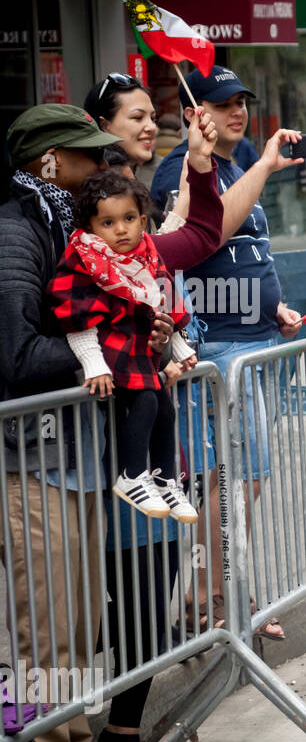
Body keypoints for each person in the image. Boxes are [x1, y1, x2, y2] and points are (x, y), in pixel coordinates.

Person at [0, 103, 222, 742]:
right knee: (47, 628)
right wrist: (110, 346)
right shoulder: (16, 230)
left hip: (73, 455)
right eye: (89, 155)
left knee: (75, 623)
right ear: (47, 164)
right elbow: (16, 355)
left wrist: (140, 331)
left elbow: (191, 239)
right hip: (32, 460)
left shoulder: (69, 224)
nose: (105, 167)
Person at [149, 65, 306, 640]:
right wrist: (266, 165)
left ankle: (220, 593)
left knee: (247, 478)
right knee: (226, 480)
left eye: (242, 101)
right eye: (222, 103)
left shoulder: (232, 166)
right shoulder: (180, 170)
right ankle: (210, 600)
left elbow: (247, 252)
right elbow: (205, 237)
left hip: (252, 341)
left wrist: (277, 306)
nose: (236, 112)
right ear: (196, 114)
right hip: (213, 348)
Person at [51, 170, 200, 521]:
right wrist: (93, 363)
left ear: (143, 220)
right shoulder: (84, 256)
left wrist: (179, 346)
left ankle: (165, 478)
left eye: (129, 219)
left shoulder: (147, 252)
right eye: (108, 222)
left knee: (164, 406)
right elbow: (75, 313)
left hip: (140, 350)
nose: (121, 229)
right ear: (90, 226)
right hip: (110, 351)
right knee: (148, 400)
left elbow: (162, 298)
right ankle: (131, 474)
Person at [83, 73, 158, 189]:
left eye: (153, 118)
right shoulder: (98, 186)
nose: (152, 127)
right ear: (105, 125)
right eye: (138, 117)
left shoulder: (131, 175)